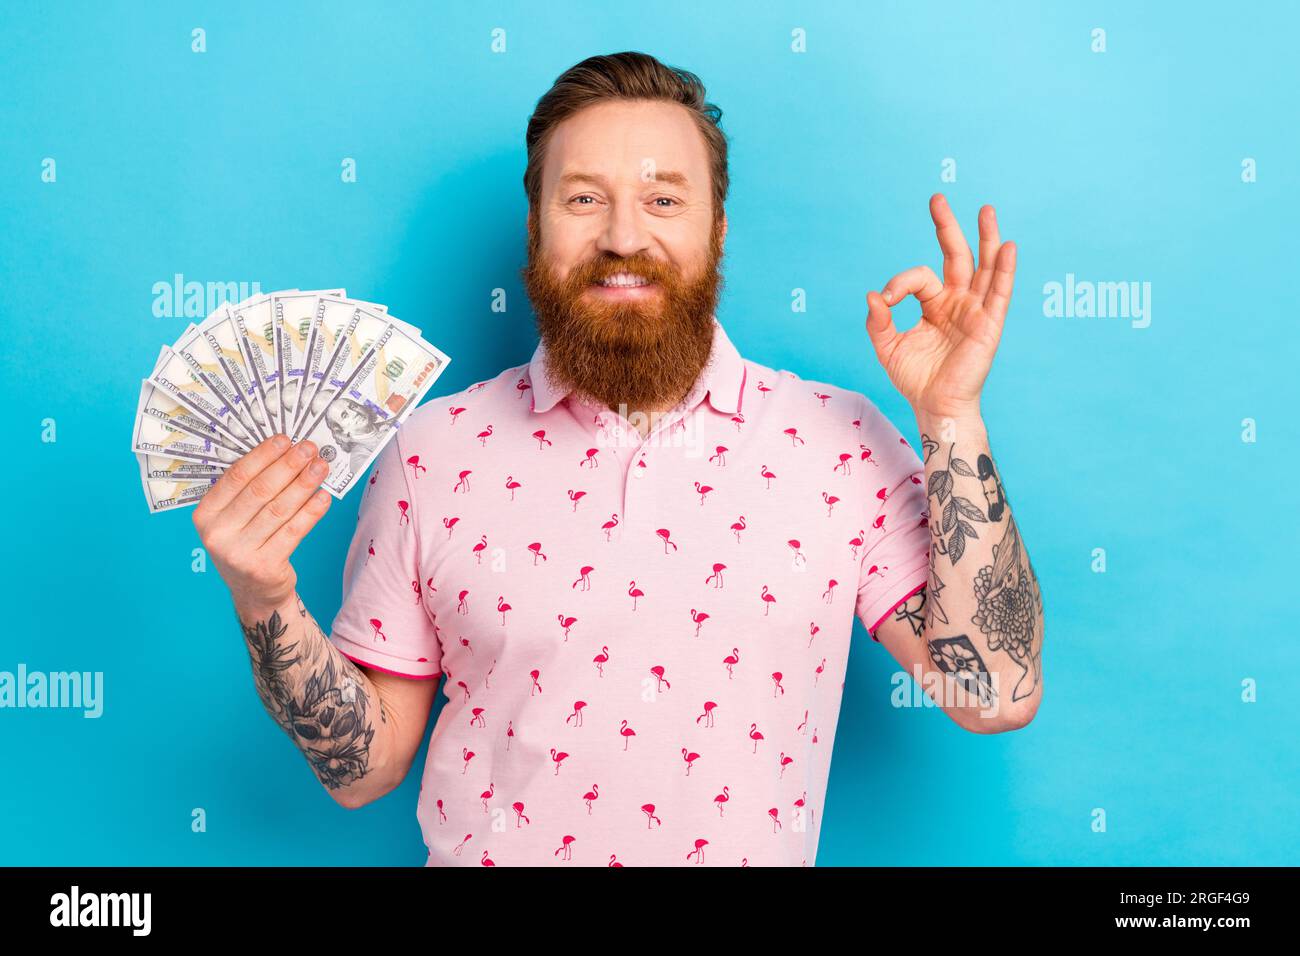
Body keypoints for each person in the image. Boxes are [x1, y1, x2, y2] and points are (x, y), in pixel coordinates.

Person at [193, 51, 1044, 867]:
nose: (623, 236)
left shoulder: (838, 441)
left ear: (717, 228)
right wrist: (265, 599)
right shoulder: (431, 452)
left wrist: (951, 416)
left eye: (664, 200)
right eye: (584, 199)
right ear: (535, 230)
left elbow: (995, 694)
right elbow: (364, 769)